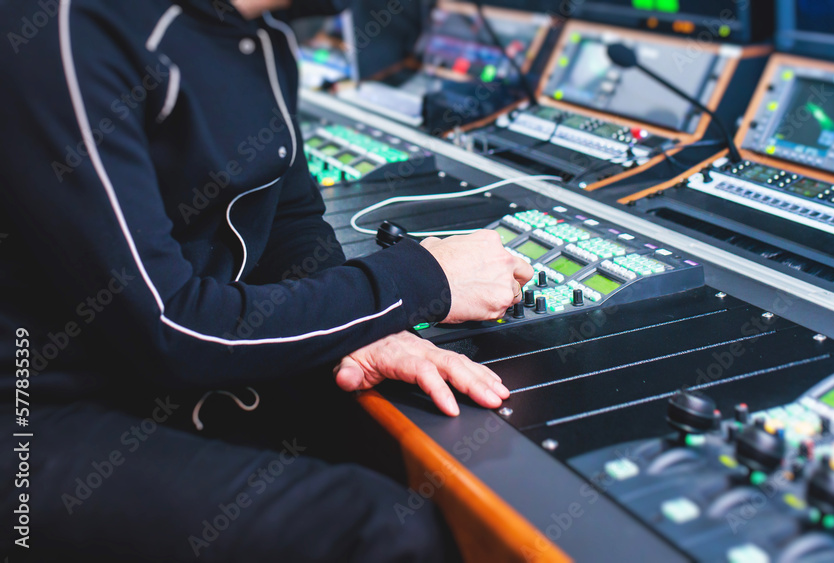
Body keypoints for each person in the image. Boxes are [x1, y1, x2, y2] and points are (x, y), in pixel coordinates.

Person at [0, 0, 532, 560]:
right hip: (40, 418)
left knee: (371, 440)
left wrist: (375, 327)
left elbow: (288, 219)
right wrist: (421, 278)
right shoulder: (68, 26)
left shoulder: (264, 36)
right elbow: (170, 327)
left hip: (156, 381)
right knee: (379, 530)